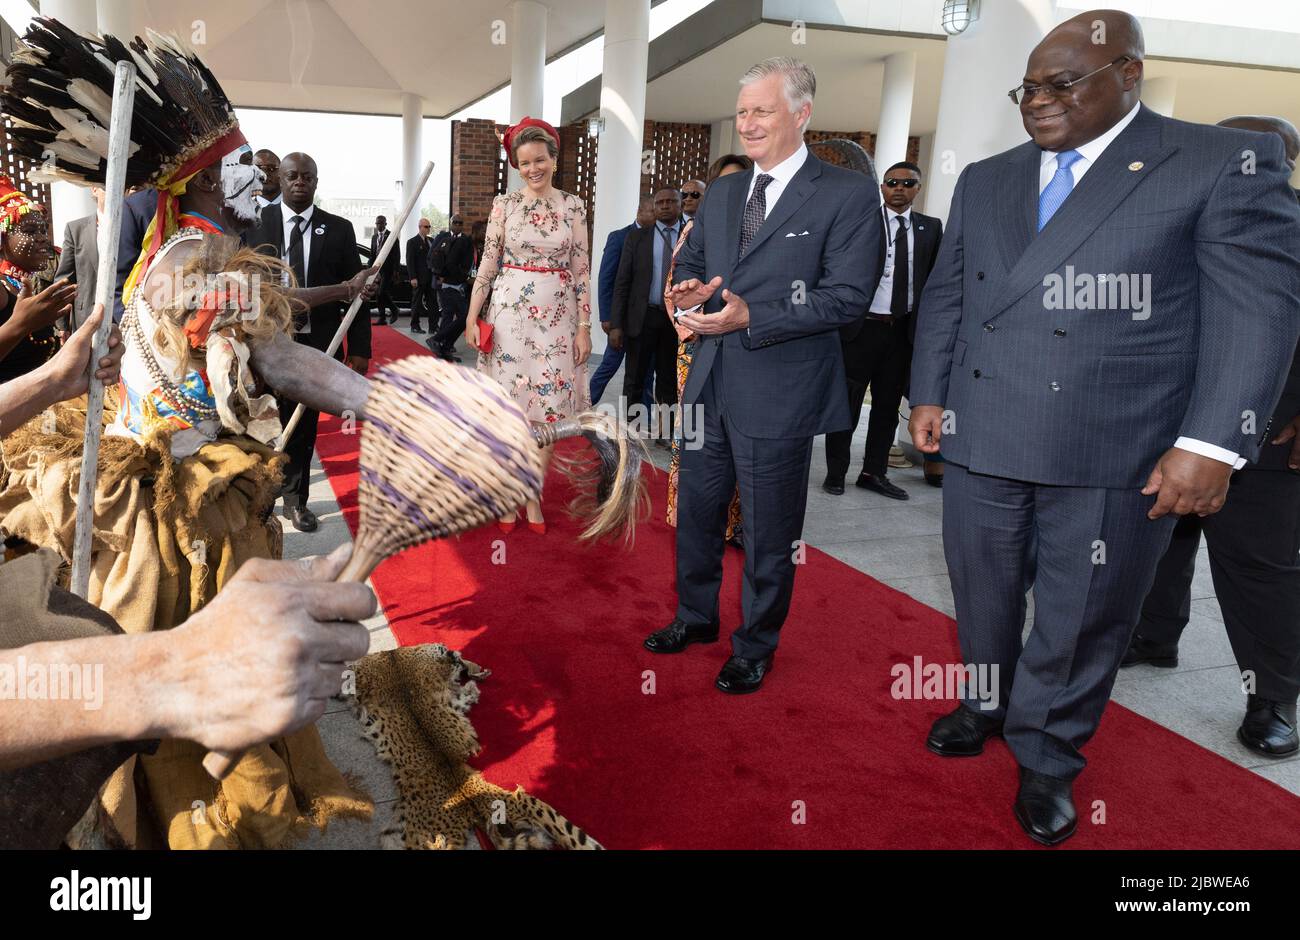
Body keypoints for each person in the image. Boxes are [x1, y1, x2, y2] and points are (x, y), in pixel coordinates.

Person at [908, 11, 1300, 845]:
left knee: (1082, 612)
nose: (1039, 102)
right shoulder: (987, 176)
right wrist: (926, 394)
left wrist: (1210, 443)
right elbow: (950, 294)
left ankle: (1047, 755)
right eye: (1029, 88)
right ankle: (983, 700)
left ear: (1128, 72)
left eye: (1062, 84)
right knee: (979, 591)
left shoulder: (1212, 160)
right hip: (983, 432)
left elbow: (1255, 313)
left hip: (1116, 443)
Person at [0, 17, 384, 849]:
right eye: (241, 166)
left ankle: (139, 798)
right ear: (208, 179)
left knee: (138, 649)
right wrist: (393, 404)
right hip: (179, 503)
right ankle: (193, 810)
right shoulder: (203, 260)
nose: (256, 177)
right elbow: (284, 362)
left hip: (147, 478)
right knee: (186, 652)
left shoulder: (164, 250)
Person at [645, 57, 878, 695]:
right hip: (708, 381)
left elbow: (849, 297)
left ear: (801, 114)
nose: (746, 123)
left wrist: (756, 316)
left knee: (770, 529)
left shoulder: (849, 194)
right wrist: (689, 291)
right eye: (742, 110)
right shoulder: (722, 191)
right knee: (695, 512)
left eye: (761, 111)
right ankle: (694, 617)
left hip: (781, 388)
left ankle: (755, 644)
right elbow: (690, 263)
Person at [1123, 114, 1300, 759]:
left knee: (1258, 566)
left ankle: (1273, 696)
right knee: (1160, 538)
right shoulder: (1173, 211)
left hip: (1270, 427)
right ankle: (1154, 636)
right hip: (1164, 416)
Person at [465, 117, 593, 533]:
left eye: (540, 160)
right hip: (507, 317)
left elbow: (581, 269)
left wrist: (584, 327)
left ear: (554, 159)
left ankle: (533, 493)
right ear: (515, 165)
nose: (533, 169)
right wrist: (472, 315)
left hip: (557, 322)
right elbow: (488, 261)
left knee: (548, 414)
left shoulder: (573, 206)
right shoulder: (505, 205)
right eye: (524, 163)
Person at [244, 152, 373, 533]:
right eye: (292, 176)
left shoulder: (339, 229)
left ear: (316, 182)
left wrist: (360, 347)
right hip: (264, 340)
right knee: (262, 421)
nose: (300, 182)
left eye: (307, 177)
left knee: (302, 422)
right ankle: (259, 496)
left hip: (317, 342)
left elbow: (357, 292)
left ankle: (295, 501)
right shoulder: (254, 223)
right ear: (279, 180)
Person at [823, 161, 943, 498]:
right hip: (859, 330)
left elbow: (934, 282)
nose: (899, 188)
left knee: (888, 407)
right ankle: (836, 473)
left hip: (901, 333)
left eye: (908, 182)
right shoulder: (861, 223)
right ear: (882, 188)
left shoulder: (930, 229)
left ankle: (873, 473)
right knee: (845, 405)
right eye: (892, 182)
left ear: (918, 188)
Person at [665, 158, 748, 544]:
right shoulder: (698, 230)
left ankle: (739, 523)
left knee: (742, 443)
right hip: (699, 351)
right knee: (700, 439)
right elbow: (676, 291)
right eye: (724, 184)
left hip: (754, 356)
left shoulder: (764, 227)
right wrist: (696, 313)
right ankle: (698, 518)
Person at [609, 187, 683, 443]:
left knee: (669, 379)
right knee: (635, 378)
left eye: (670, 202)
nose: (664, 206)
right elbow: (622, 282)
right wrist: (616, 324)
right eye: (659, 202)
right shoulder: (638, 238)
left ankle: (666, 432)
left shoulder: (691, 235)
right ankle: (631, 430)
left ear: (680, 204)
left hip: (676, 320)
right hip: (643, 317)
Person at [0, 178, 75, 383]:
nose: (43, 238)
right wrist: (20, 324)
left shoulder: (23, 287)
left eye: (43, 230)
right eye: (30, 231)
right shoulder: (3, 288)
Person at [589, 195, 655, 405]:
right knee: (609, 365)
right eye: (652, 211)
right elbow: (605, 279)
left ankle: (645, 417)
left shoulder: (659, 238)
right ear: (640, 211)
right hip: (622, 319)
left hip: (648, 320)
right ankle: (583, 406)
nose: (657, 216)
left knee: (646, 371)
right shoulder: (619, 237)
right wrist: (608, 317)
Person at [52, 185, 104, 335]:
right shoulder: (76, 229)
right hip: (86, 318)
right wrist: (63, 327)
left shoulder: (134, 225)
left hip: (127, 317)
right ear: (94, 189)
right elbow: (64, 280)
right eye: (106, 186)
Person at [430, 214, 474, 362]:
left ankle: (443, 345)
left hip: (458, 285)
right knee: (457, 316)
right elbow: (432, 258)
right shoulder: (441, 237)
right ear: (450, 223)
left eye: (460, 222)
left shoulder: (465, 240)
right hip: (447, 284)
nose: (457, 224)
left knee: (454, 316)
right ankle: (439, 341)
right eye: (454, 222)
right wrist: (438, 275)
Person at [368, 214, 400, 325]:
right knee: (378, 294)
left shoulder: (392, 236)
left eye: (381, 223)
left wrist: (396, 271)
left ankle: (394, 309)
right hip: (377, 271)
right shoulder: (374, 237)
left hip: (388, 270)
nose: (379, 225)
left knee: (381, 292)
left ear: (385, 223)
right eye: (377, 223)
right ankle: (382, 318)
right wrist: (369, 269)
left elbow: (397, 255)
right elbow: (372, 255)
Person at [406, 217, 434, 333]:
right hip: (418, 277)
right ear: (420, 227)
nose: (428, 229)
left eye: (429, 227)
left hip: (430, 277)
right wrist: (412, 277)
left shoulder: (431, 241)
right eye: (426, 227)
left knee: (432, 302)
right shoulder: (412, 242)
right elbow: (410, 260)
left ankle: (433, 326)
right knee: (417, 303)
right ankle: (415, 325)